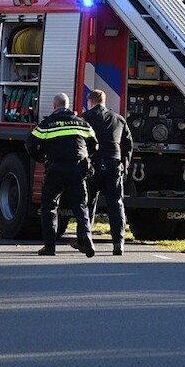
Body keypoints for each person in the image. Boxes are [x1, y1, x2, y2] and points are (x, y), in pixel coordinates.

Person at [25, 93, 97, 257]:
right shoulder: (81, 122)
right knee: (81, 206)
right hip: (77, 168)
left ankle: (49, 247)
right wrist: (86, 158)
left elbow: (30, 143)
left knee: (49, 207)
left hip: (55, 169)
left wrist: (40, 158)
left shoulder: (48, 123)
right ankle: (87, 238)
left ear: (54, 106)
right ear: (68, 105)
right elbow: (95, 143)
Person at [81, 89, 133, 255]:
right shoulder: (119, 119)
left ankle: (85, 239)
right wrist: (124, 165)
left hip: (93, 166)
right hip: (114, 165)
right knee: (116, 205)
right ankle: (118, 242)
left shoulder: (86, 118)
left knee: (88, 203)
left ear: (90, 102)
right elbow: (129, 144)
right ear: (104, 101)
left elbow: (80, 142)